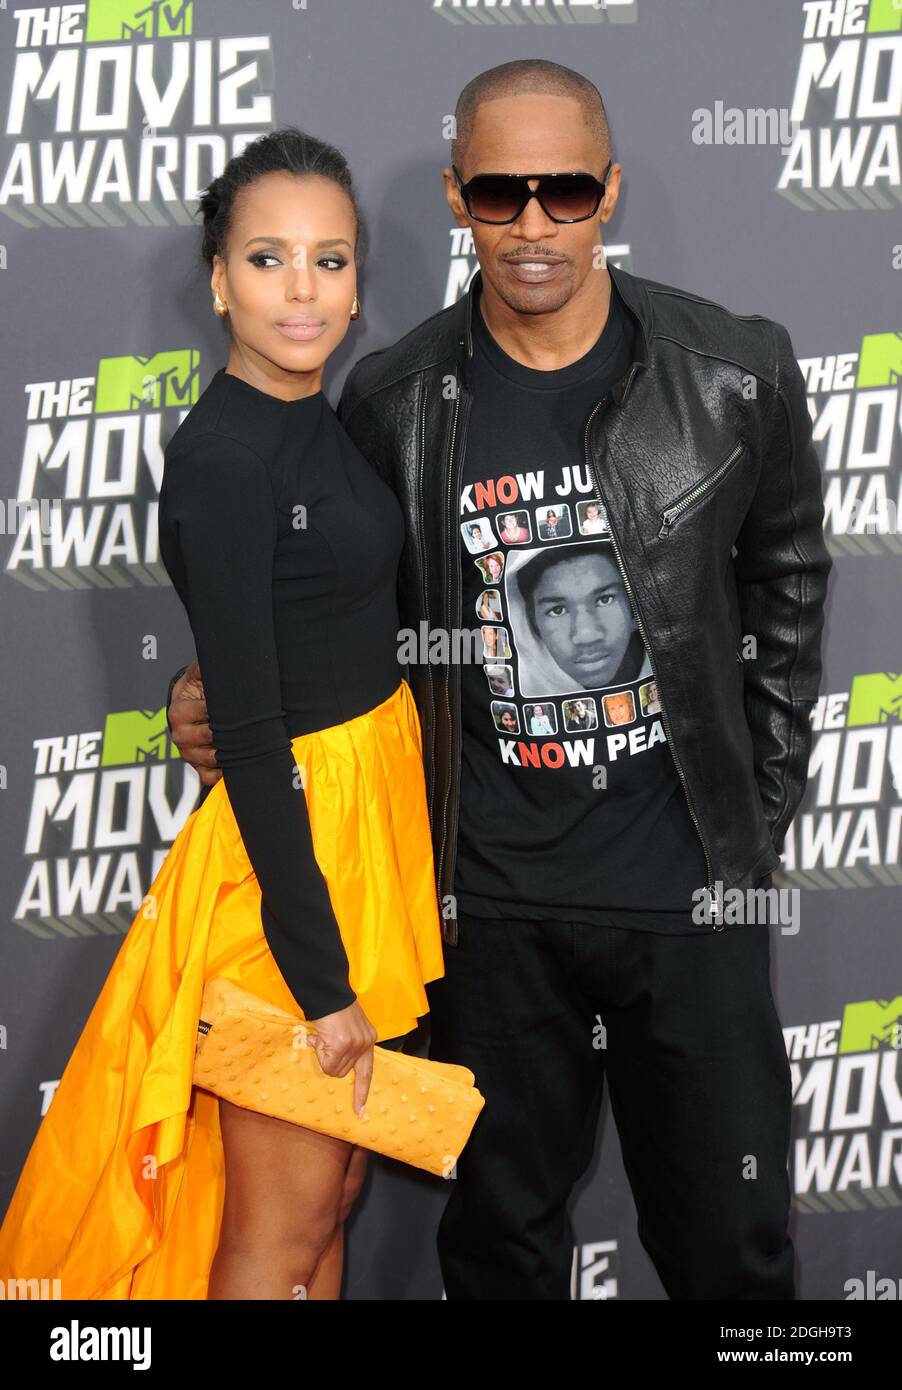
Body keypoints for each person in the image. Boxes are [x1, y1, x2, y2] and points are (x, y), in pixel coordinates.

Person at [168, 60, 832, 1300]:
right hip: (484, 911)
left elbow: (786, 583)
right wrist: (207, 700)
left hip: (685, 904)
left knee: (732, 1257)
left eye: (565, 190)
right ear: (457, 193)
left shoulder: (729, 373)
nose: (533, 224)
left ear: (608, 192)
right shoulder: (393, 398)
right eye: (501, 190)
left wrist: (753, 813)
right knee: (494, 1254)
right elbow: (323, 600)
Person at [0, 128, 445, 1301]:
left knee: (327, 1198)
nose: (302, 289)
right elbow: (248, 732)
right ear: (216, 279)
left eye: (330, 260)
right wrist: (320, 979)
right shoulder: (224, 459)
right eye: (267, 258)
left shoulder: (324, 418)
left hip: (358, 834)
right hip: (286, 868)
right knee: (275, 1230)